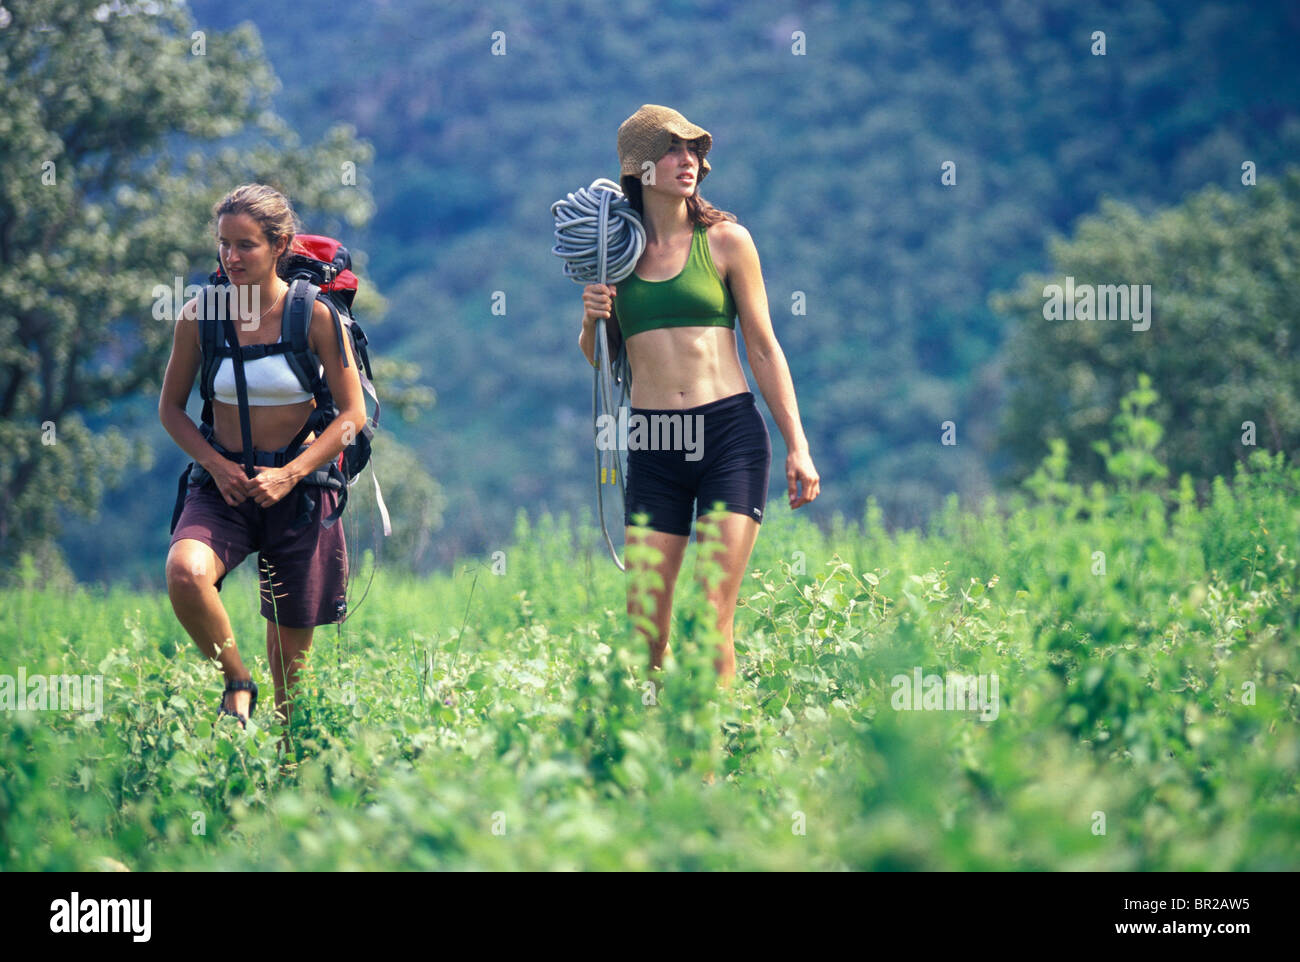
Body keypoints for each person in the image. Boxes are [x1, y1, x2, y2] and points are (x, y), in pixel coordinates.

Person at [578, 105, 821, 684]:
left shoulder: (728, 242)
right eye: (671, 150)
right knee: (645, 629)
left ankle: (712, 765)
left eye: (693, 151)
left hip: (728, 436)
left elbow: (763, 348)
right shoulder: (616, 257)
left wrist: (798, 446)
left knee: (711, 616)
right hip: (655, 441)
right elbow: (603, 362)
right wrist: (591, 322)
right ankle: (653, 753)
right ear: (639, 169)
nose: (688, 161)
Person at [159, 184, 366, 728]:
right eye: (224, 244)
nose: (231, 257)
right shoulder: (200, 316)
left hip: (300, 490)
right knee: (185, 572)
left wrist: (291, 473)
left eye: (246, 245)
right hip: (223, 483)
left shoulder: (317, 317)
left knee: (291, 676)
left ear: (281, 245)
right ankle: (235, 680)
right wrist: (217, 466)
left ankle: (288, 776)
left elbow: (352, 417)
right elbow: (172, 410)